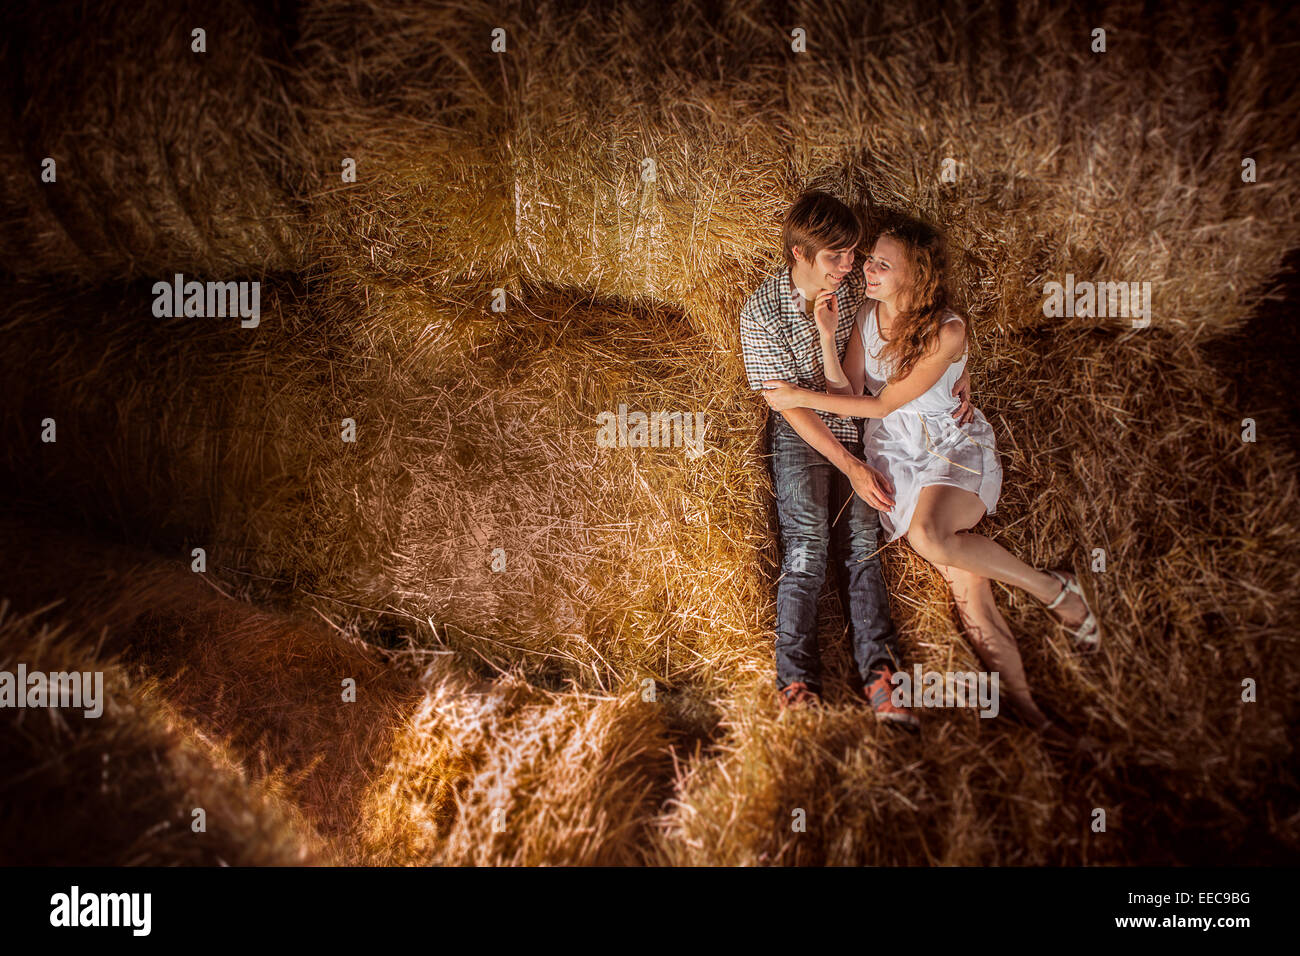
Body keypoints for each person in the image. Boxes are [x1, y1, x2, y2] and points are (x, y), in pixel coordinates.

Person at [762, 213, 1101, 736]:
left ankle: (1054, 591)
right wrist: (829, 337)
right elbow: (852, 397)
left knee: (928, 536)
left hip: (949, 448)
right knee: (969, 594)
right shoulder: (866, 316)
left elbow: (882, 404)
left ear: (916, 275)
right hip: (895, 456)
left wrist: (795, 398)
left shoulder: (948, 330)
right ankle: (1033, 713)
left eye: (880, 264)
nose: (866, 270)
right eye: (868, 260)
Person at [740, 192, 973, 728]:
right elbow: (790, 408)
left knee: (864, 546)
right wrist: (849, 464)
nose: (849, 267)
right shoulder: (759, 314)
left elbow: (931, 329)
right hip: (804, 434)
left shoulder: (859, 297)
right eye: (835, 258)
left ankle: (881, 678)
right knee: (808, 543)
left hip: (864, 427)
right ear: (798, 254)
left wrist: (964, 373)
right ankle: (795, 681)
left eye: (854, 255)